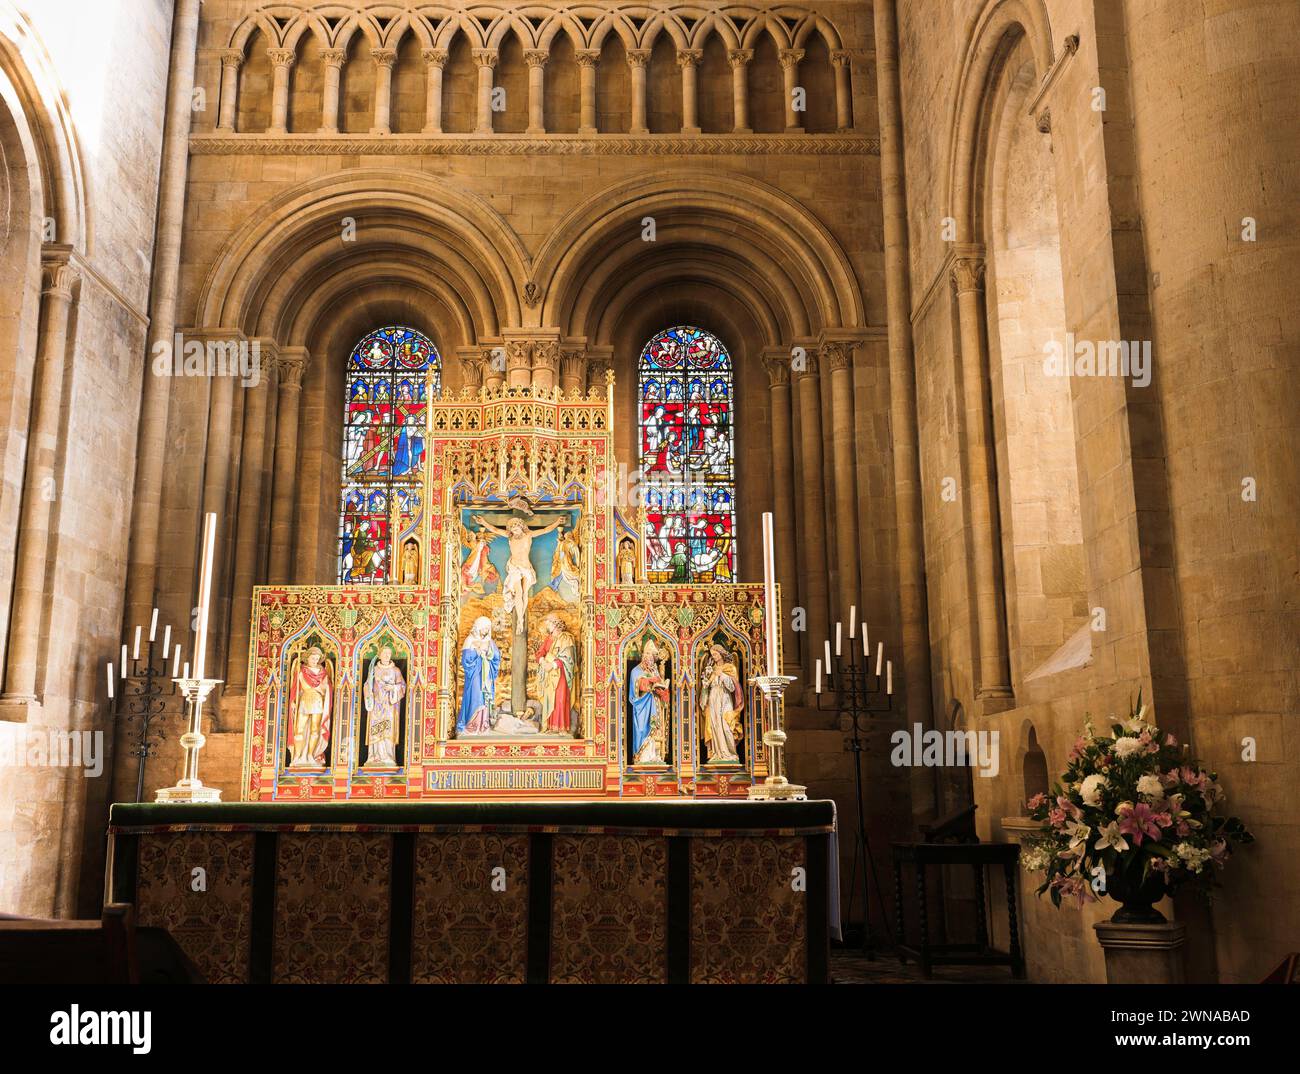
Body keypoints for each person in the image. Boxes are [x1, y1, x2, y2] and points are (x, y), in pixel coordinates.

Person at [288, 646, 332, 767]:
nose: (315, 661)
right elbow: (295, 687)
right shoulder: (301, 670)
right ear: (307, 658)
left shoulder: (323, 672)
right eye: (313, 658)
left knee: (315, 729)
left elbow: (326, 688)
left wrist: (321, 688)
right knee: (299, 729)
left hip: (318, 702)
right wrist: (293, 700)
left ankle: (310, 755)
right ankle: (297, 756)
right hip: (304, 701)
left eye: (317, 659)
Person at [700, 643, 743, 765]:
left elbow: (732, 687)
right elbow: (707, 686)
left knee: (726, 725)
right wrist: (705, 684)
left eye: (715, 654)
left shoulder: (730, 668)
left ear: (721, 653)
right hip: (713, 700)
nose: (714, 657)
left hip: (725, 698)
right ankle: (716, 753)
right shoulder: (711, 668)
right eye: (712, 655)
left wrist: (722, 675)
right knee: (714, 726)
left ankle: (730, 754)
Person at [362, 646, 405, 767]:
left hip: (389, 705)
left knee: (387, 729)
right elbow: (367, 685)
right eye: (384, 653)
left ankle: (387, 756)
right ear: (379, 655)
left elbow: (402, 686)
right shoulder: (373, 669)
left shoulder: (396, 670)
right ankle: (374, 756)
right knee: (375, 728)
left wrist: (393, 688)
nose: (387, 656)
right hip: (376, 705)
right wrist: (369, 692)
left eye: (389, 653)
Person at [628, 640, 669, 765]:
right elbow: (637, 686)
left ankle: (655, 755)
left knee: (655, 729)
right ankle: (643, 757)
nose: (649, 658)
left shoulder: (655, 671)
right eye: (647, 655)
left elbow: (661, 687)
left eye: (651, 656)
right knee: (643, 729)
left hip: (655, 705)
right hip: (642, 706)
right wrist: (650, 681)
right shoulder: (636, 670)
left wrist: (662, 689)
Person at [536, 614, 577, 734]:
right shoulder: (549, 639)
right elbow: (540, 653)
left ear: (554, 624)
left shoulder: (566, 638)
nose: (547, 626)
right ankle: (550, 727)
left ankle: (561, 728)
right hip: (549, 675)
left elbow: (568, 658)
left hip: (561, 674)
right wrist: (543, 661)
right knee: (550, 700)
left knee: (560, 699)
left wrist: (552, 665)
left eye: (548, 623)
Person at [458, 616, 499, 734]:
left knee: (484, 697)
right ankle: (472, 724)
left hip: (486, 675)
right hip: (475, 674)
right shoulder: (470, 640)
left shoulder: (490, 641)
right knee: (476, 695)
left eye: (488, 628)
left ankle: (483, 725)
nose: (486, 631)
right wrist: (477, 651)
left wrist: (489, 652)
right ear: (479, 627)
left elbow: (496, 657)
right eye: (484, 628)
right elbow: (466, 659)